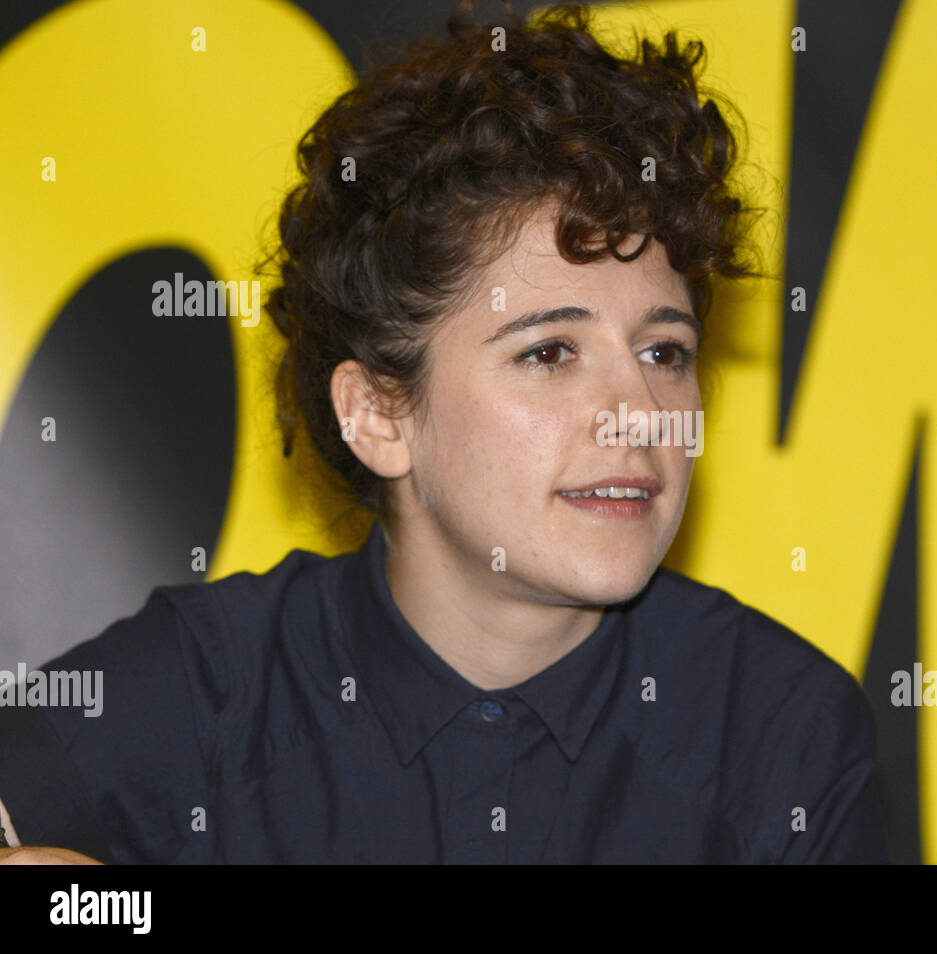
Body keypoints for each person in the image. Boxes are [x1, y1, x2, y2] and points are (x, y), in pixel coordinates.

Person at [0, 0, 888, 864]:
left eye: (664, 351)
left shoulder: (783, 733)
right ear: (380, 414)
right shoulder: (204, 691)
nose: (638, 412)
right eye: (549, 353)